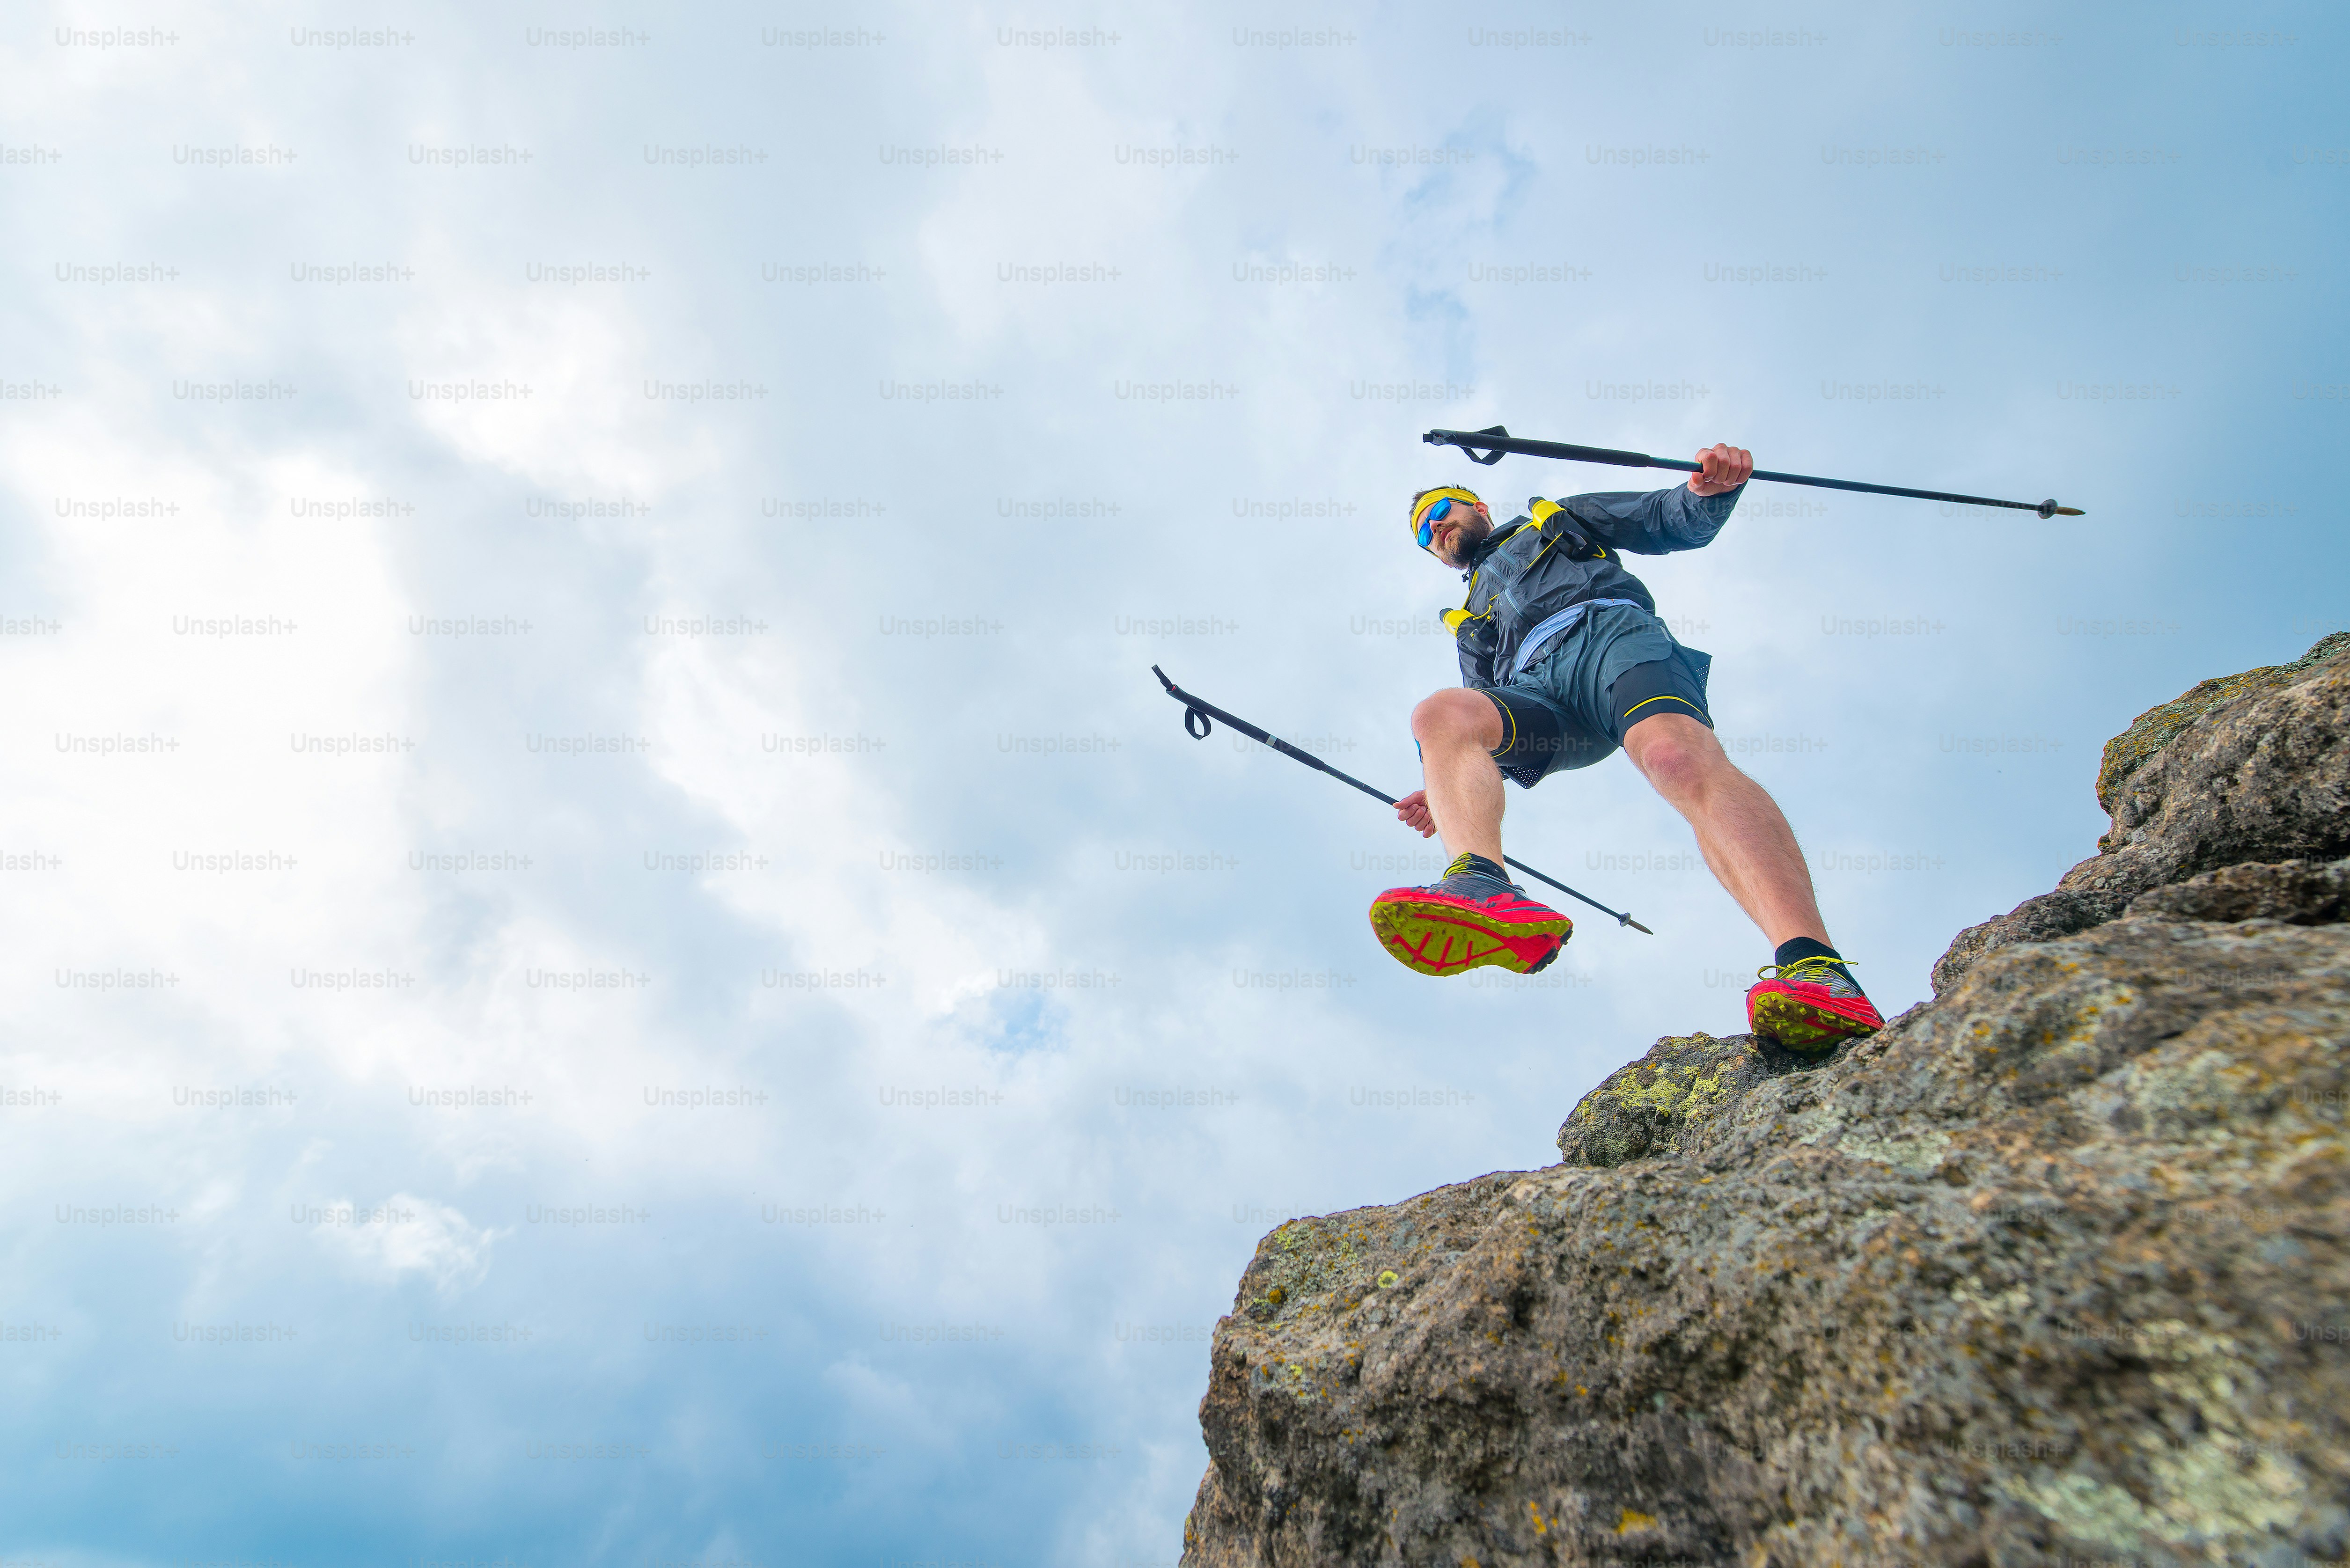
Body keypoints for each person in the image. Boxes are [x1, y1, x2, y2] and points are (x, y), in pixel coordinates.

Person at [1367, 445, 1881, 1052]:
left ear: (1477, 504)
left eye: (1440, 512)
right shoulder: (1471, 617)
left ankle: (1816, 967)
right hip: (1540, 694)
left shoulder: (1552, 519)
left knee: (1676, 759)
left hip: (1612, 636)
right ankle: (1483, 885)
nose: (1437, 530)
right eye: (1426, 534)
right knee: (1439, 714)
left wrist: (1708, 490)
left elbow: (1666, 517)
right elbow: (1479, 719)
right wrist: (1441, 783)